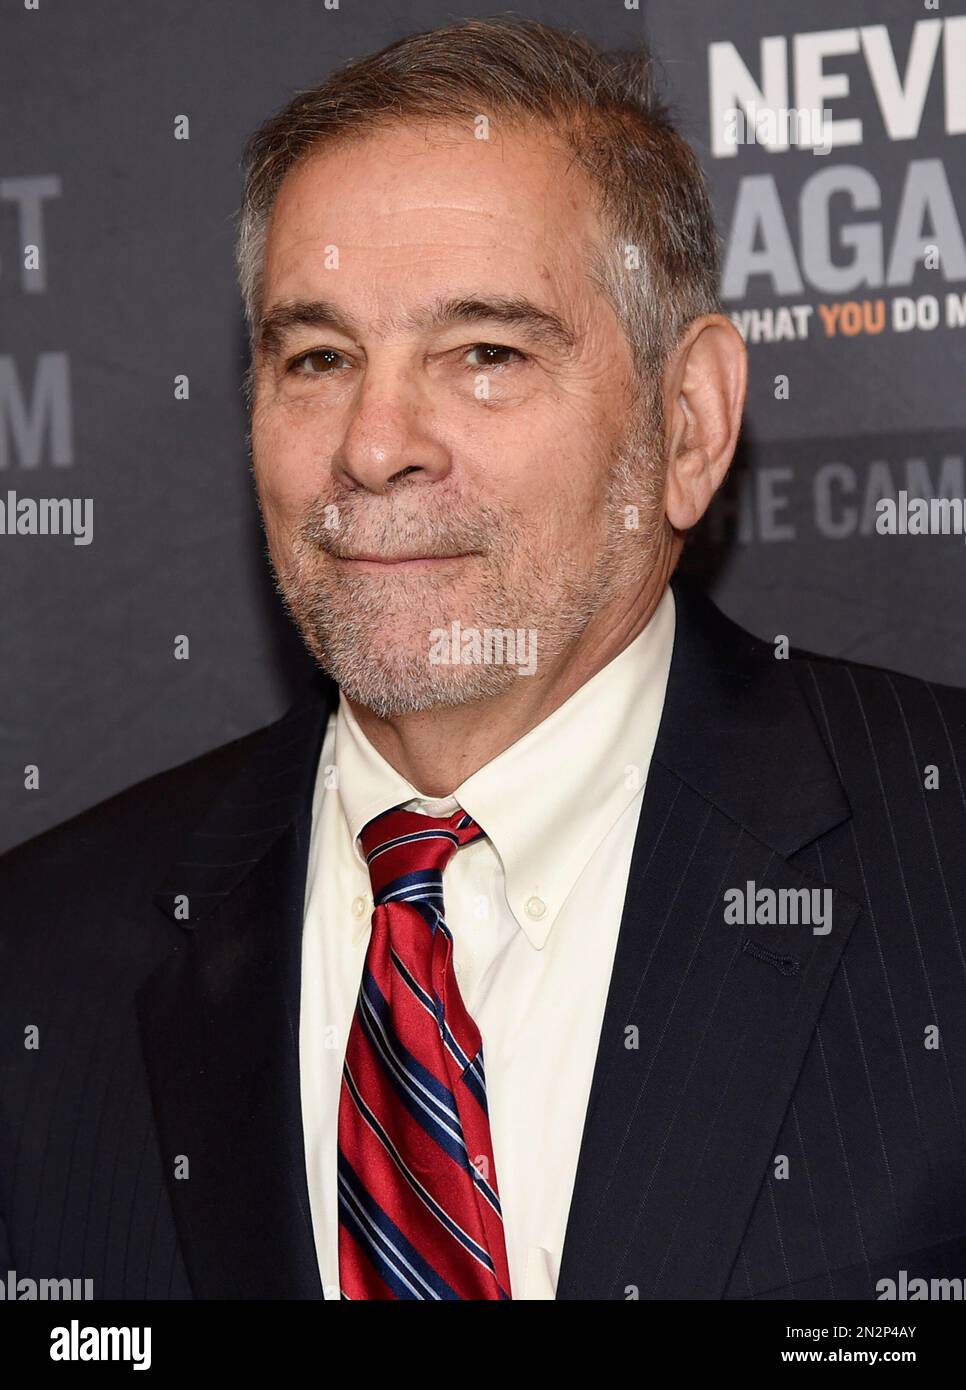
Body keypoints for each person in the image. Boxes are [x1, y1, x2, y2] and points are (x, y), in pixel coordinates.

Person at [2, 15, 966, 1302]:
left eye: (487, 355)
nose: (374, 442)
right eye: (320, 356)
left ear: (689, 425)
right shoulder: (46, 959)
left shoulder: (939, 869)